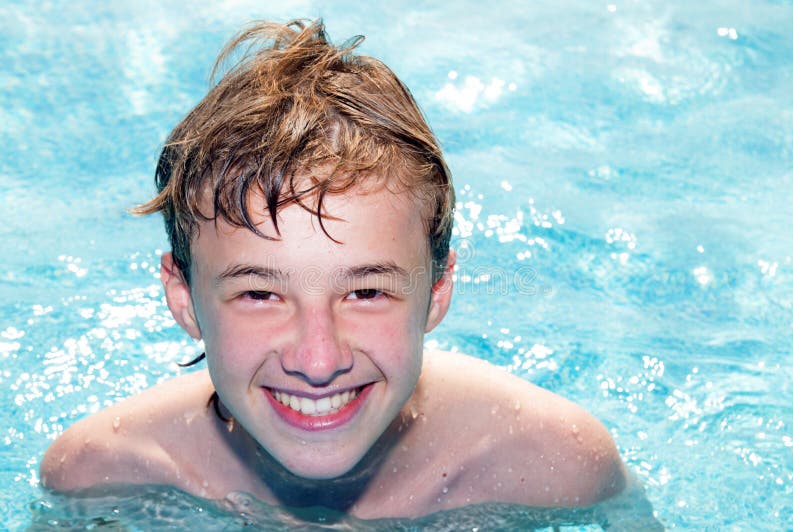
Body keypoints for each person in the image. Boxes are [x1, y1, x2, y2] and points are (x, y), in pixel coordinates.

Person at [40, 19, 628, 519]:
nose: (318, 362)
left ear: (438, 288)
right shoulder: (103, 476)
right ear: (184, 298)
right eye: (259, 295)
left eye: (366, 292)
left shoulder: (553, 467)